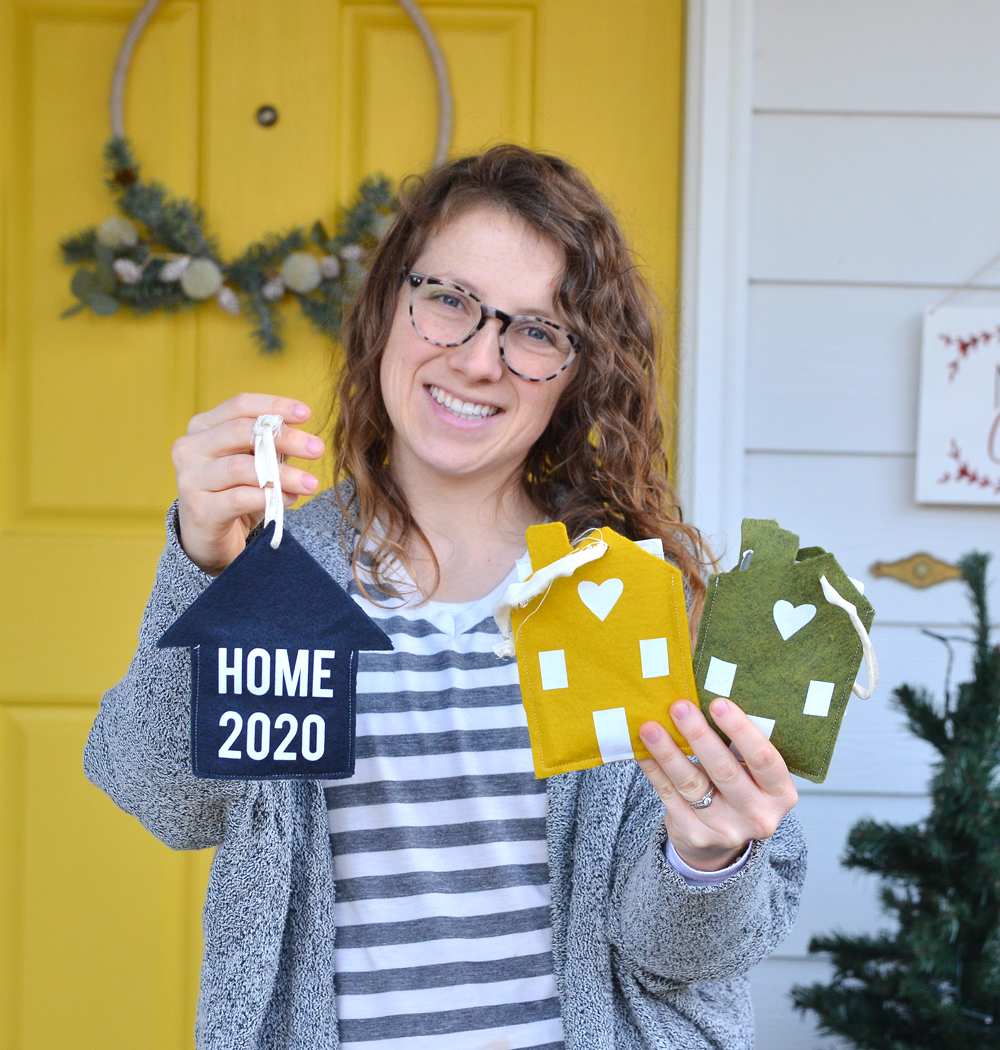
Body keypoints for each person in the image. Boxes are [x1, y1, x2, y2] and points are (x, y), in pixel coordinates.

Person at [85, 145, 804, 1050]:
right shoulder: (284, 566)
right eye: (451, 300)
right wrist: (203, 567)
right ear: (390, 305)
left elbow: (686, 954)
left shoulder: (636, 592)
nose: (477, 360)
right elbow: (165, 798)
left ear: (577, 372)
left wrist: (709, 858)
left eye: (536, 331)